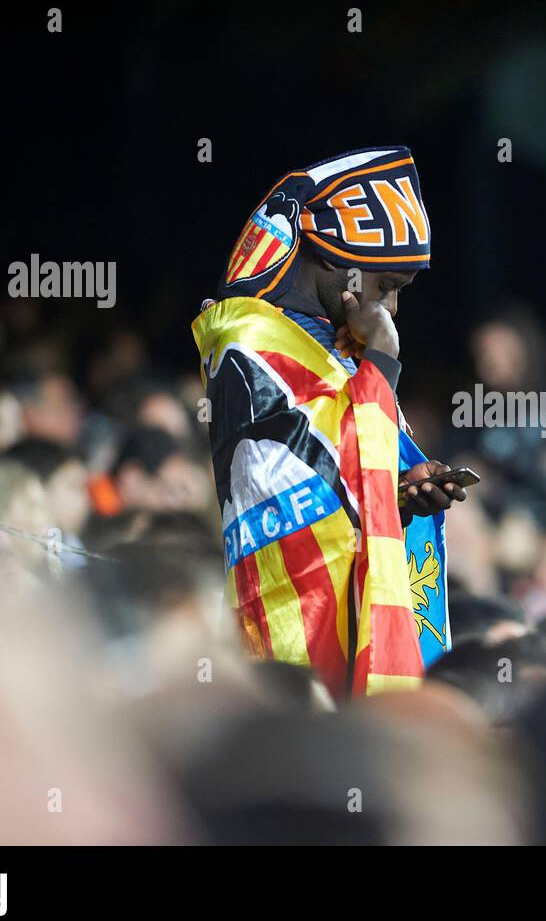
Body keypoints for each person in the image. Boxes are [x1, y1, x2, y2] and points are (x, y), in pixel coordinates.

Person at [194, 146, 466, 699]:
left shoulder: (339, 349)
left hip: (345, 629)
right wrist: (385, 360)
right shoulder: (250, 340)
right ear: (342, 267)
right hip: (297, 643)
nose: (390, 307)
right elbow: (284, 481)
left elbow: (340, 476)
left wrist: (402, 496)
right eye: (387, 286)